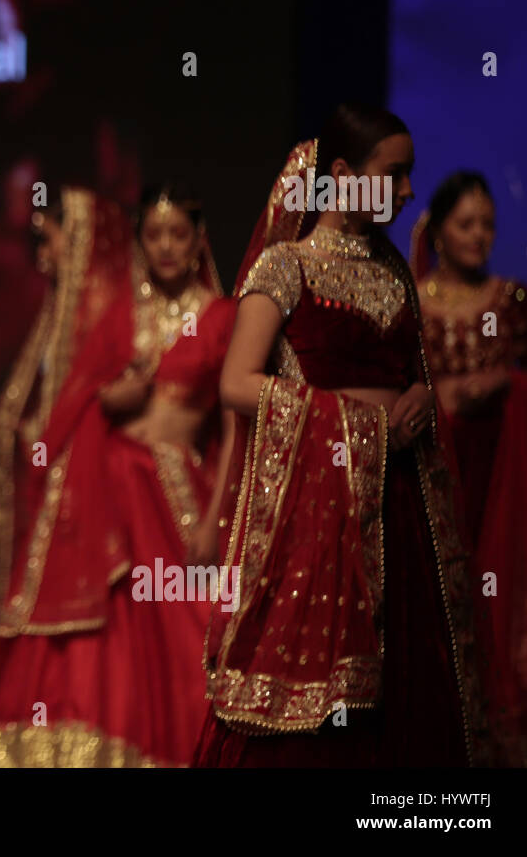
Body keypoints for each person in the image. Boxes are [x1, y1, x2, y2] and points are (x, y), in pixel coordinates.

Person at [196, 105, 484, 766]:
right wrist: (363, 426)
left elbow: (408, 373)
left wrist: (420, 399)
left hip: (404, 512)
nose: (410, 191)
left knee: (413, 695)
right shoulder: (286, 267)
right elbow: (236, 384)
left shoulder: (394, 272)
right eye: (397, 174)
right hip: (326, 525)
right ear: (346, 174)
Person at [0, 184, 235, 766]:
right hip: (113, 487)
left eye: (178, 234)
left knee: (186, 633)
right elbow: (80, 391)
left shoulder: (223, 317)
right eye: (153, 234)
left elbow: (236, 426)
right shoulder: (120, 315)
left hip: (179, 493)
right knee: (110, 635)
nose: (165, 247)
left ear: (198, 241)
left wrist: (216, 517)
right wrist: (112, 396)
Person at [413, 171, 527, 766]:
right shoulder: (413, 304)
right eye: (466, 224)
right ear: (437, 230)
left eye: (488, 224)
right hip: (439, 470)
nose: (480, 235)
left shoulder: (514, 301)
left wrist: (507, 386)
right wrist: (451, 395)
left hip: (507, 477)